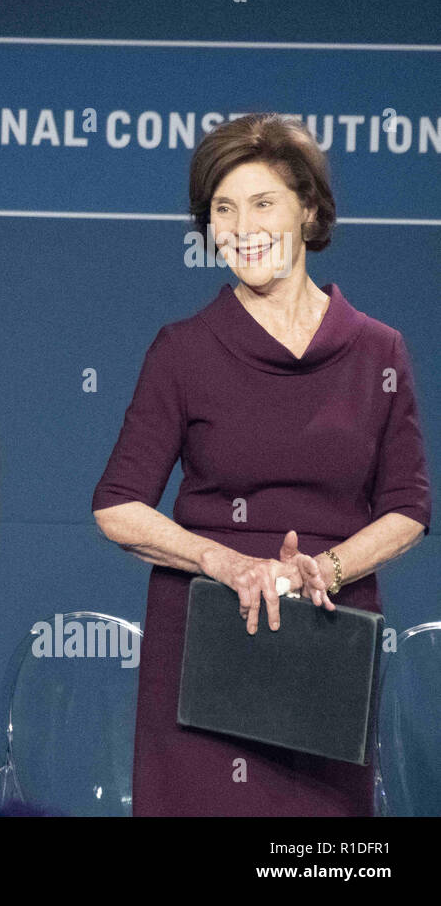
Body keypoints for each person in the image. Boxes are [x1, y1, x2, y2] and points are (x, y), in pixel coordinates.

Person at [92, 112, 431, 815]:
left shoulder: (379, 353)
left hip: (326, 649)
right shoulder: (183, 349)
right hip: (205, 652)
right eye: (222, 209)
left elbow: (408, 508)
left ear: (308, 211)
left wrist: (326, 568)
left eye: (262, 202)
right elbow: (118, 505)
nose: (241, 226)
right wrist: (226, 564)